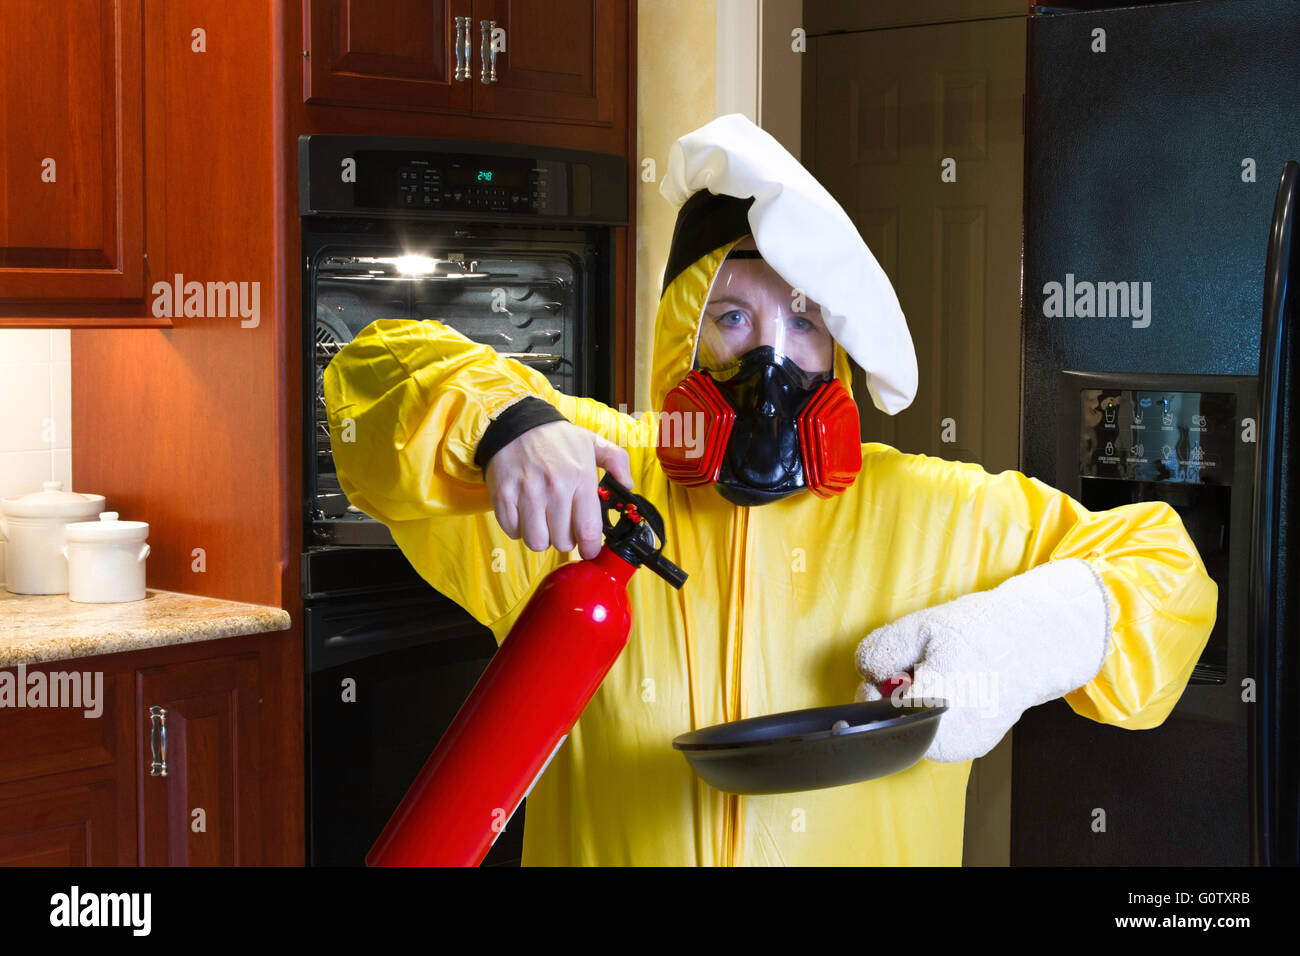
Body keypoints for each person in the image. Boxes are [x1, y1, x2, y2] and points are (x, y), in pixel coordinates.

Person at [323, 114, 1216, 865]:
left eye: (805, 320)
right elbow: (365, 382)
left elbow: (1169, 574)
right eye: (733, 316)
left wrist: (1018, 640)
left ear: (841, 353)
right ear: (685, 338)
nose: (771, 358)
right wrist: (504, 424)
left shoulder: (938, 514)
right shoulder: (596, 486)